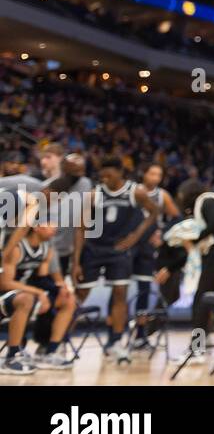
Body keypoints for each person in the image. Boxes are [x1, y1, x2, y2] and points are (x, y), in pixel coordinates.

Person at [71, 156, 159, 363]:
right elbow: (81, 227)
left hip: (119, 251)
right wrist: (75, 262)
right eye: (102, 175)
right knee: (80, 294)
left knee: (120, 293)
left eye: (109, 175)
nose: (105, 178)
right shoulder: (94, 194)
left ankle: (116, 342)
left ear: (120, 172)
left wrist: (135, 237)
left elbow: (154, 212)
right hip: (93, 248)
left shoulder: (135, 191)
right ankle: (58, 342)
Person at [161, 179, 214, 365]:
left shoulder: (207, 200)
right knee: (203, 301)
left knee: (201, 301)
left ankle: (197, 349)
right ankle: (200, 347)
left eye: (181, 194)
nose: (180, 198)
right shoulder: (204, 204)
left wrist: (194, 238)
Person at [0, 212, 75, 372]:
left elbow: (42, 280)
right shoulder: (17, 248)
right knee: (27, 298)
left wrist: (59, 289)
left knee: (68, 300)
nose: (54, 228)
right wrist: (38, 293)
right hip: (6, 296)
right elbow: (5, 283)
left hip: (25, 295)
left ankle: (49, 353)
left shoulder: (46, 249)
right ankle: (12, 356)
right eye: (49, 225)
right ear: (36, 227)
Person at [130, 162, 178, 347]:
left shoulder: (162, 195)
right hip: (130, 244)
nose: (155, 178)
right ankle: (115, 334)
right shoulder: (133, 191)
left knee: (144, 290)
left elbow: (177, 218)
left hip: (148, 248)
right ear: (144, 173)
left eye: (159, 175)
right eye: (152, 174)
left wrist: (163, 232)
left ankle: (141, 333)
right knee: (120, 288)